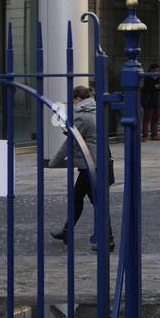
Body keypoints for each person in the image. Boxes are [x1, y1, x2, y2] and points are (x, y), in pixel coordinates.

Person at [49, 86, 114, 250]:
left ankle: (107, 240)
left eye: (73, 100)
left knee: (97, 203)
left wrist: (53, 162)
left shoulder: (82, 115)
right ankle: (67, 231)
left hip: (91, 166)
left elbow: (71, 141)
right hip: (97, 163)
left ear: (77, 99)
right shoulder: (96, 110)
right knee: (77, 198)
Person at [141, 63, 160, 141]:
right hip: (149, 101)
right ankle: (144, 135)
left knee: (155, 119)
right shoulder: (147, 77)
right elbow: (145, 88)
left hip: (155, 100)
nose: (157, 72)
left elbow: (159, 88)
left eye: (158, 70)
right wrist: (155, 87)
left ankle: (154, 135)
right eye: (156, 70)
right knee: (147, 119)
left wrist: (158, 87)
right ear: (151, 70)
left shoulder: (157, 78)